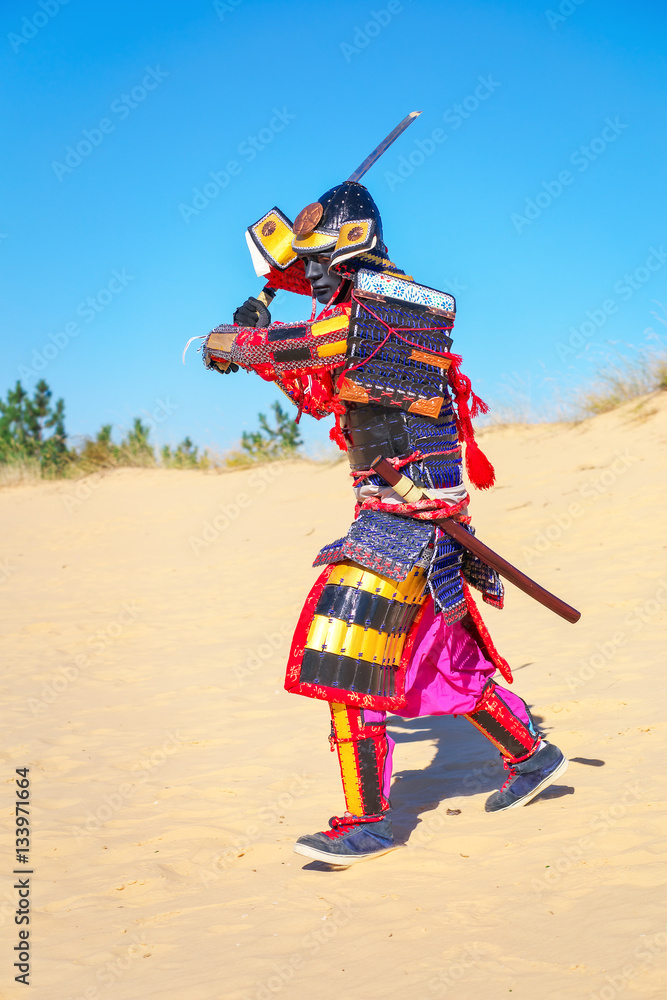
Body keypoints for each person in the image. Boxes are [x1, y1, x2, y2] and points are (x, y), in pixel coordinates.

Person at [208, 180, 568, 865]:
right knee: (436, 657)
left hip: (408, 517)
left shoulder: (382, 311)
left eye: (319, 263)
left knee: (340, 649)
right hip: (408, 510)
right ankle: (533, 753)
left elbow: (297, 347)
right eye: (305, 265)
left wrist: (236, 335)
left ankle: (368, 821)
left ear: (347, 252)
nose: (309, 276)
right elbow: (294, 323)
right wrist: (265, 286)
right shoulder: (382, 299)